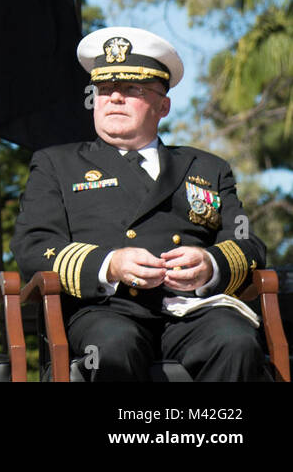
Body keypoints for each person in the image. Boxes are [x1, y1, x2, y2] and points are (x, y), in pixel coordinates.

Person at [14, 26, 269, 381]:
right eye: (104, 89)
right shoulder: (57, 164)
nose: (114, 98)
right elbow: (34, 247)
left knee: (237, 341)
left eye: (132, 89)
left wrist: (209, 263)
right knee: (112, 347)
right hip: (105, 309)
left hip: (193, 311)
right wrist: (110, 264)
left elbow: (249, 245)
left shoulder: (207, 167)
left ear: (163, 105)